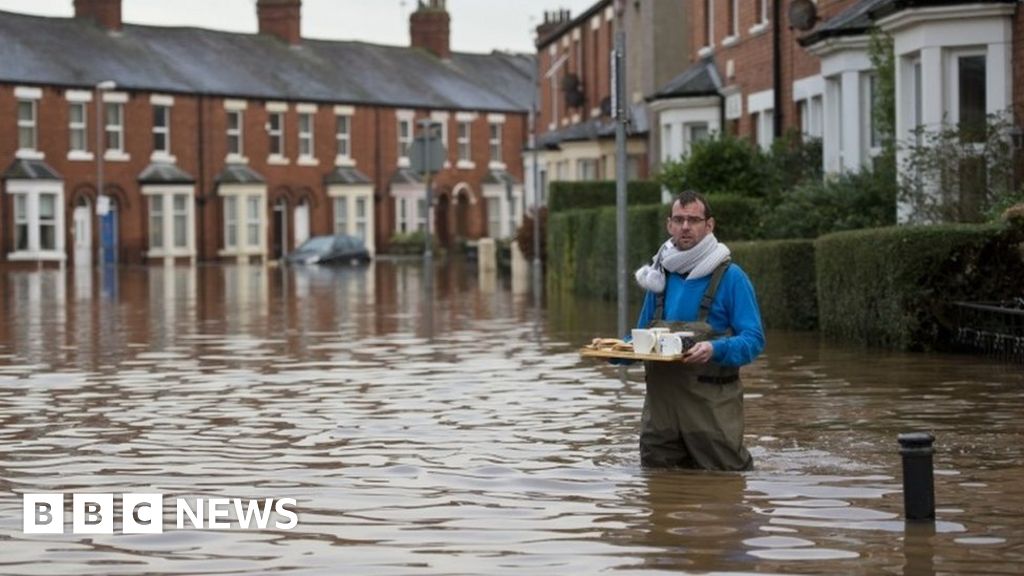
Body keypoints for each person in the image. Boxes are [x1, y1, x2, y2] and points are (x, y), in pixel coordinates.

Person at [632, 190, 764, 471]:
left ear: (709, 225)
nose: (685, 227)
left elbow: (754, 340)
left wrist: (715, 349)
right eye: (679, 219)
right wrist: (613, 350)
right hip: (661, 420)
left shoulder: (732, 277)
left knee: (726, 486)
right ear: (669, 225)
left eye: (693, 220)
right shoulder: (658, 278)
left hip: (711, 419)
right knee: (658, 489)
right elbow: (640, 337)